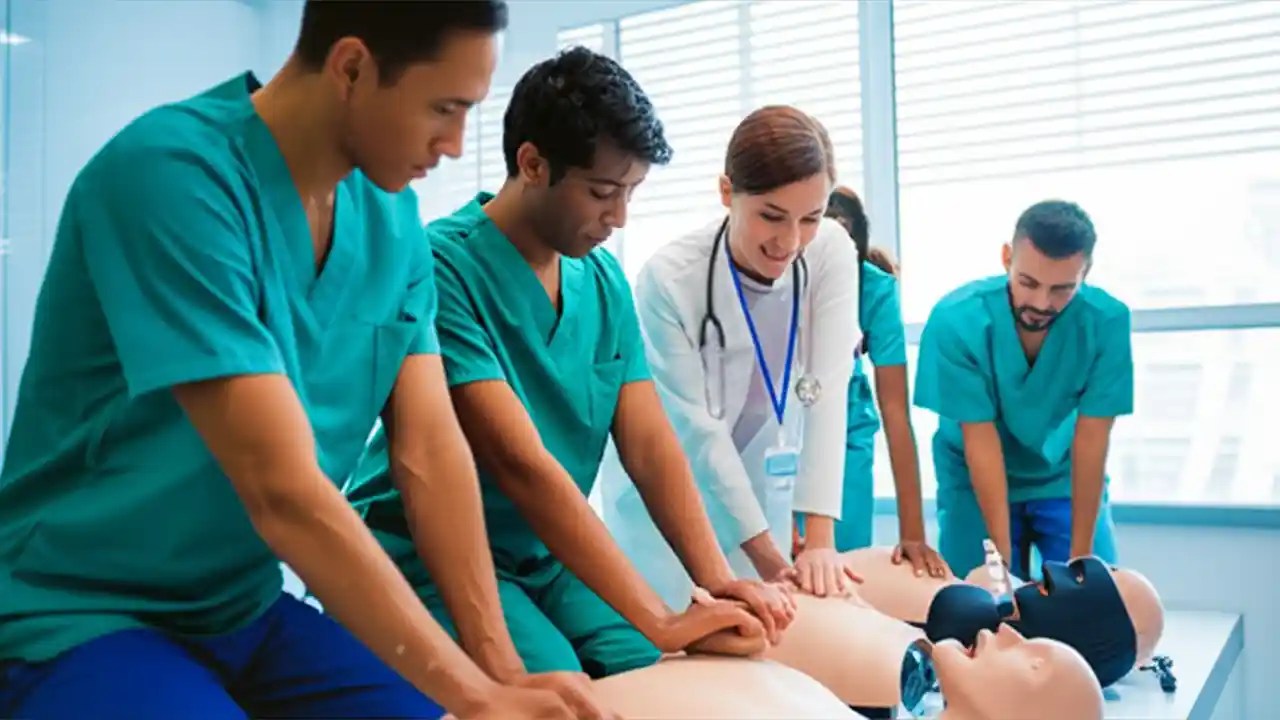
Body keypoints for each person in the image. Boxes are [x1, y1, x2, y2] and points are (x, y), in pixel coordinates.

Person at [0, 3, 591, 719]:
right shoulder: (170, 176)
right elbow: (280, 491)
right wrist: (475, 696)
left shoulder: (392, 217)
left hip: (243, 605)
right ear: (351, 67)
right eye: (444, 108)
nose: (455, 143)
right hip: (83, 612)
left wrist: (499, 673)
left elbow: (430, 450)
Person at [347, 47, 788, 682]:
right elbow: (522, 467)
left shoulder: (602, 279)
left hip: (546, 559)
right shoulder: (442, 267)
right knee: (565, 688)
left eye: (631, 193)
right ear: (532, 163)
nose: (619, 217)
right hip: (429, 554)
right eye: (603, 192)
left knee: (658, 670)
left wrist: (717, 582)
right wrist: (662, 619)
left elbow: (650, 444)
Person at [600, 106, 862, 609]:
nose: (789, 242)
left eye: (810, 217)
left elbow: (827, 389)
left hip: (765, 490)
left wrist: (821, 541)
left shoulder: (830, 251)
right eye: (770, 215)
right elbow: (700, 433)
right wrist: (772, 561)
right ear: (727, 193)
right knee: (685, 645)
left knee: (772, 643)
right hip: (674, 509)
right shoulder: (670, 279)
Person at [913, 200, 1132, 579]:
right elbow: (979, 439)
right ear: (1006, 258)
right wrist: (1001, 566)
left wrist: (1082, 567)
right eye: (1028, 282)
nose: (1040, 303)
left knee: (1098, 593)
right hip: (972, 471)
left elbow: (1093, 438)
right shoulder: (957, 320)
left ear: (1086, 274)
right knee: (982, 597)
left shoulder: (1106, 322)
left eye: (1062, 289)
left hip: (1059, 471)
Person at [814, 186, 944, 578]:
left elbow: (895, 411)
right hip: (779, 424)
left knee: (841, 564)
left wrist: (914, 533)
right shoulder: (779, 278)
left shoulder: (874, 288)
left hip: (847, 424)